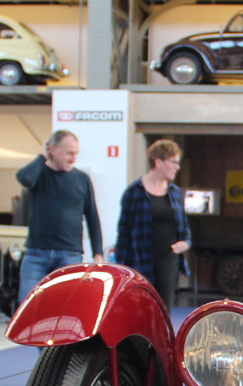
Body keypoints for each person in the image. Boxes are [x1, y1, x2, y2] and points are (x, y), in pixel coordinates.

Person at [15, 129, 103, 302]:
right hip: (36, 254)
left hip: (69, 254)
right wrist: (42, 157)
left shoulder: (81, 179)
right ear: (52, 150)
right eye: (69, 153)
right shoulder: (38, 175)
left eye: (76, 154)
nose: (73, 158)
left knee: (66, 305)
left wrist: (98, 253)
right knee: (26, 304)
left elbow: (92, 215)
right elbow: (24, 178)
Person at [115, 138, 192, 307]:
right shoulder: (134, 192)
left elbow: (185, 227)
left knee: (164, 309)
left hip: (168, 260)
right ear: (158, 162)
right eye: (173, 162)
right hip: (141, 260)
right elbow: (124, 232)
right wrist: (122, 268)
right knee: (141, 307)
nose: (177, 167)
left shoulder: (175, 193)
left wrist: (185, 243)